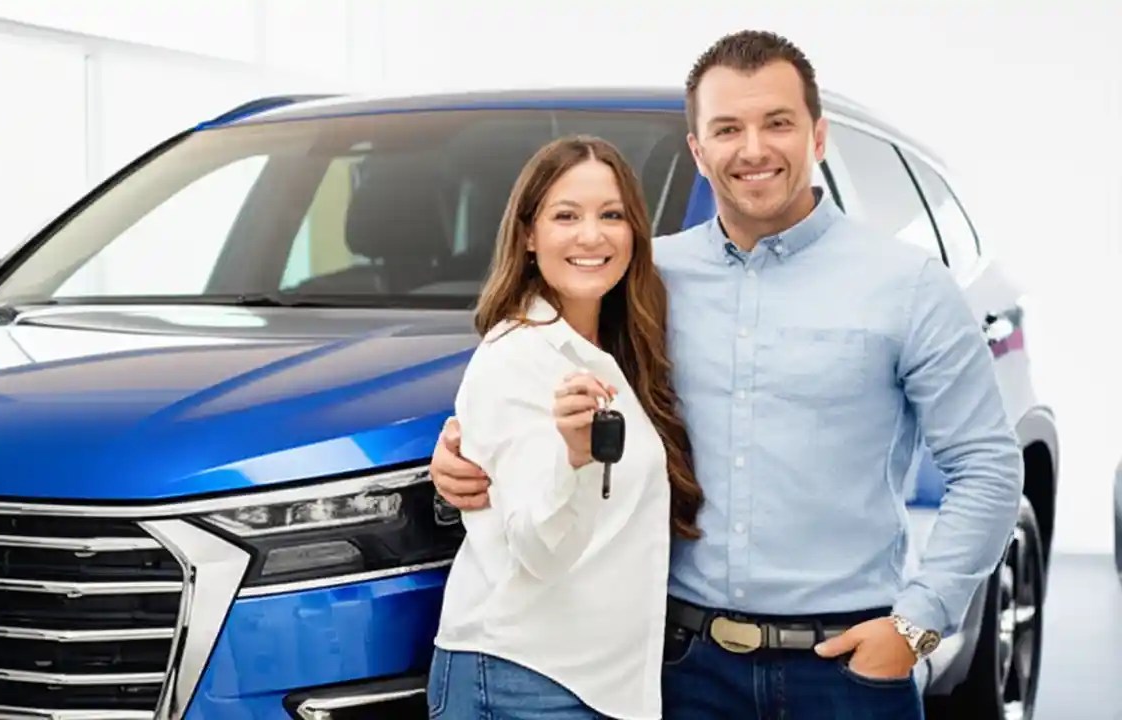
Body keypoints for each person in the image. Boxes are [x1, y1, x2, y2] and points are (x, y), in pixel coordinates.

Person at [430, 30, 1023, 719]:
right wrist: (465, 462)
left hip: (848, 669)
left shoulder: (909, 285)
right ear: (698, 151)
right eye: (726, 128)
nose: (753, 149)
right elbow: (546, 383)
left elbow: (986, 464)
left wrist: (918, 625)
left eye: (778, 123)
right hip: (682, 668)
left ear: (818, 136)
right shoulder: (644, 281)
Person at [426, 135, 704, 720]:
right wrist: (573, 461)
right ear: (528, 235)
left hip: (600, 682)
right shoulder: (516, 360)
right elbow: (537, 552)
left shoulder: (618, 350)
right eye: (565, 216)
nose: (591, 236)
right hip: (525, 682)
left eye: (612, 215)